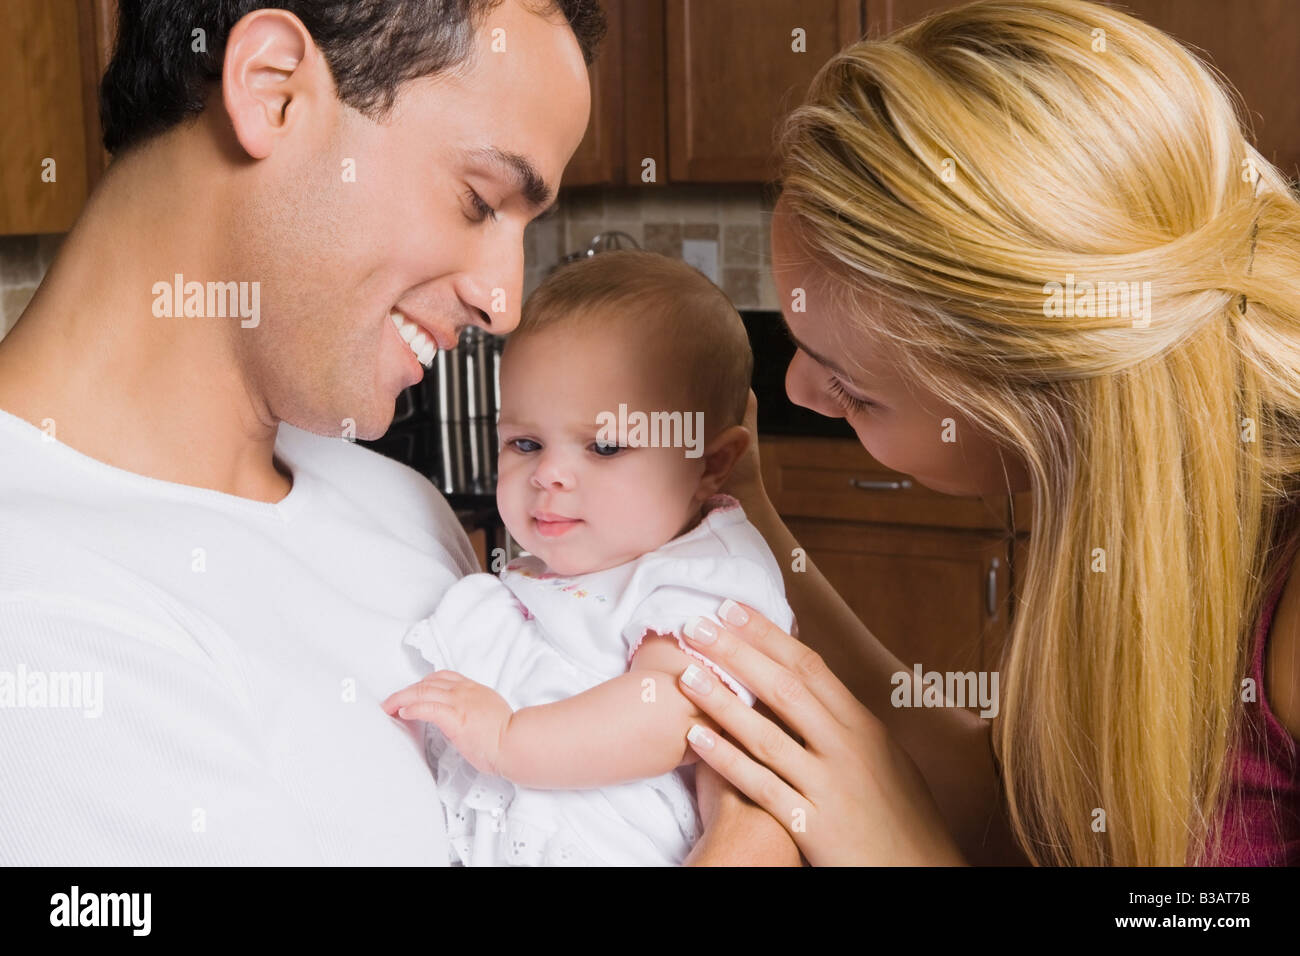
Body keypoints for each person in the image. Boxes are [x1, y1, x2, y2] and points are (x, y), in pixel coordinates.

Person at [0, 0, 799, 865]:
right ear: (272, 93)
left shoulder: (397, 506)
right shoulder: (39, 625)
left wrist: (744, 800)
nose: (506, 301)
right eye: (478, 199)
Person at [673, 0, 1300, 866]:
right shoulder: (1117, 494)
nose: (795, 391)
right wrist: (746, 519)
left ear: (1035, 394)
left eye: (852, 389)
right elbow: (1025, 805)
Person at [383, 251, 795, 865]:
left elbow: (671, 710)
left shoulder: (708, 571)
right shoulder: (561, 570)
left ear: (709, 465)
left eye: (604, 447)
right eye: (525, 442)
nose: (548, 473)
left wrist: (505, 739)